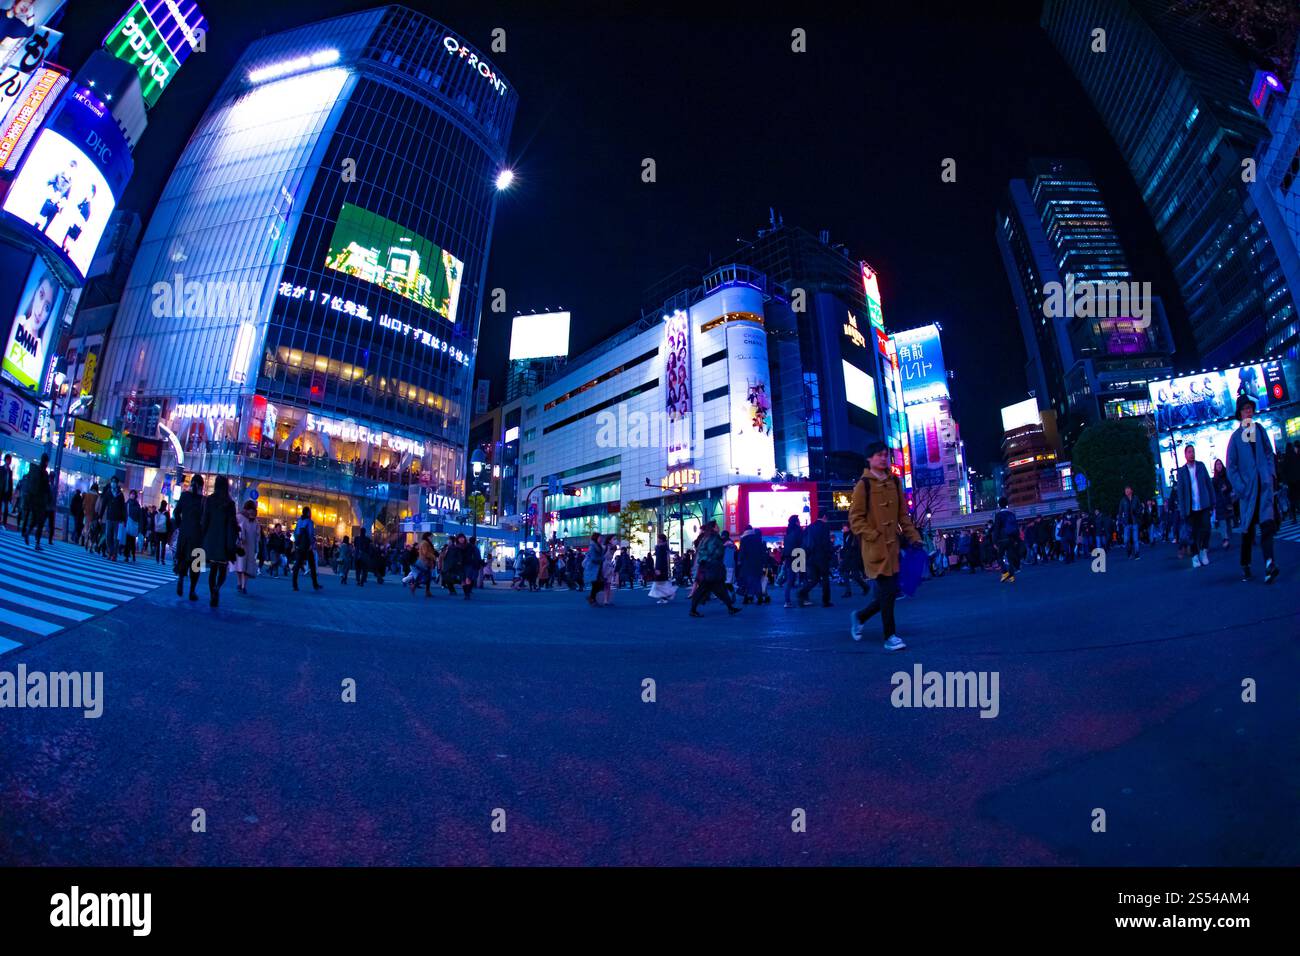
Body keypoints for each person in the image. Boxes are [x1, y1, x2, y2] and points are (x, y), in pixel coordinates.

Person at [848, 440, 922, 651]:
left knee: (887, 593)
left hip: (893, 548)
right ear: (869, 458)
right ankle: (890, 636)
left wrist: (914, 536)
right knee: (888, 591)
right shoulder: (864, 484)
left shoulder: (895, 482)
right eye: (879, 454)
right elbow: (855, 519)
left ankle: (860, 617)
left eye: (885, 454)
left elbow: (902, 516)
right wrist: (873, 534)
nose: (883, 457)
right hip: (874, 549)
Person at [1226, 394, 1279, 583]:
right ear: (1239, 414)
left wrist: (1270, 474)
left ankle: (1269, 563)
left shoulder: (1260, 430)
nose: (1248, 412)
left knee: (1266, 526)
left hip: (1263, 487)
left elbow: (1268, 453)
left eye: (1250, 408)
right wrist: (1241, 488)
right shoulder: (1235, 438)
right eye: (1244, 409)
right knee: (1247, 532)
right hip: (1248, 493)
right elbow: (1230, 467)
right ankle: (1245, 564)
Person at [199, 474, 239, 607]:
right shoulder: (230, 503)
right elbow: (233, 524)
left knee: (213, 570)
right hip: (224, 540)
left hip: (211, 539)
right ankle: (217, 588)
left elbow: (204, 520)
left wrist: (202, 536)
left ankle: (212, 594)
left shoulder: (209, 500)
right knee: (222, 570)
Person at [688, 521, 740, 617]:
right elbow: (712, 551)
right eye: (717, 525)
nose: (718, 527)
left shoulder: (708, 537)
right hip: (712, 567)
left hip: (711, 568)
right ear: (713, 527)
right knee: (706, 589)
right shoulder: (713, 538)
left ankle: (730, 608)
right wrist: (723, 548)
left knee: (720, 589)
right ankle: (693, 610)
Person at [1175, 444, 1214, 569]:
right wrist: (1182, 510)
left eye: (1193, 451)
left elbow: (1208, 483)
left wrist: (1213, 501)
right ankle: (1195, 555)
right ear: (1185, 455)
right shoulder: (1181, 472)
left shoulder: (1201, 466)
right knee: (1192, 533)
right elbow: (1180, 492)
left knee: (1206, 528)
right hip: (1190, 508)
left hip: (1203, 504)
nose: (1192, 454)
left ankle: (1203, 550)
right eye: (1189, 452)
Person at [172, 475, 204, 599]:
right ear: (202, 486)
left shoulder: (184, 496)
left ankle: (180, 578)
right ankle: (192, 591)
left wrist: (181, 525)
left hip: (184, 533)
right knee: (196, 565)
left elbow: (176, 512)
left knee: (183, 559)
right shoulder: (202, 500)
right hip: (198, 536)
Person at [797, 514, 833, 607]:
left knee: (814, 580)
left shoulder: (810, 527)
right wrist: (829, 555)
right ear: (825, 516)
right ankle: (826, 601)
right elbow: (826, 543)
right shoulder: (825, 527)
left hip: (811, 557)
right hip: (822, 557)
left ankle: (802, 592)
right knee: (825, 579)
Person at [19, 453, 51, 550]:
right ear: (46, 461)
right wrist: (49, 498)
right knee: (40, 522)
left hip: (33, 499)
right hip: (41, 501)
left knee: (34, 519)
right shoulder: (44, 473)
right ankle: (37, 543)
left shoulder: (36, 470)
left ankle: (28, 532)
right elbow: (46, 488)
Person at [292, 506, 323, 591]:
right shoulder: (309, 522)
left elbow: (295, 533)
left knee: (297, 565)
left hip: (300, 546)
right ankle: (315, 585)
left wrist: (297, 544)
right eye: (310, 512)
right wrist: (312, 544)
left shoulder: (299, 521)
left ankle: (294, 585)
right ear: (308, 513)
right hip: (307, 547)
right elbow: (310, 534)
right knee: (312, 566)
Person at [991, 496, 1020, 582]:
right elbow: (1016, 527)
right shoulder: (1012, 514)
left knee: (999, 556)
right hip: (1011, 538)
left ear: (999, 505)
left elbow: (996, 529)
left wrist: (995, 541)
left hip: (1002, 539)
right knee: (1010, 558)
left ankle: (1005, 572)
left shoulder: (998, 515)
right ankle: (1011, 577)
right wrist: (1016, 540)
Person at [234, 500, 259, 595]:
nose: (252, 512)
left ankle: (241, 584)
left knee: (242, 566)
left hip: (245, 545)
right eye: (251, 509)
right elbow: (257, 535)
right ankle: (241, 584)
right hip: (246, 546)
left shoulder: (240, 517)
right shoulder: (252, 520)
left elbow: (258, 534)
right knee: (243, 566)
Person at [781, 515, 804, 608]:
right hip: (799, 555)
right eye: (799, 521)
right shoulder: (799, 531)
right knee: (802, 579)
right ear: (796, 522)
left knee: (790, 581)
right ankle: (802, 599)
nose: (800, 522)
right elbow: (803, 544)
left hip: (789, 558)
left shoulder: (787, 533)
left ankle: (787, 601)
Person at [648, 532, 678, 604]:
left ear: (661, 539)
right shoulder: (664, 546)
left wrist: (657, 568)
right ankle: (665, 597)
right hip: (663, 566)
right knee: (661, 583)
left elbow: (659, 558)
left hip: (660, 567)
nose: (657, 539)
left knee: (659, 583)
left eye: (658, 538)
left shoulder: (659, 547)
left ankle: (667, 595)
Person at [1118, 486, 1142, 559]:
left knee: (1135, 540)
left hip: (1134, 522)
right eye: (1125, 491)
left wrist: (1137, 512)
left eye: (1128, 490)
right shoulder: (1123, 500)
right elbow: (1120, 511)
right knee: (1126, 540)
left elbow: (1140, 507)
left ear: (1131, 490)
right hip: (1126, 523)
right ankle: (1129, 553)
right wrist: (1121, 521)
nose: (1126, 492)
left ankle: (1137, 554)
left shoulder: (1135, 498)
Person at [584, 532, 605, 606]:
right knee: (596, 584)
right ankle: (592, 599)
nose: (601, 539)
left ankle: (592, 598)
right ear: (596, 538)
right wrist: (602, 559)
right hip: (593, 568)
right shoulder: (593, 546)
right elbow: (593, 558)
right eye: (600, 538)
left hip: (598, 568)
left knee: (598, 584)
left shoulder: (598, 546)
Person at [0, 453, 13, 529]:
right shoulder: (1, 469)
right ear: (5, 460)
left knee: (6, 508)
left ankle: (4, 523)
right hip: (1, 491)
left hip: (6, 492)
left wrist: (10, 495)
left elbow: (10, 483)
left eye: (10, 460)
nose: (9, 461)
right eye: (8, 460)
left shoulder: (10, 471)